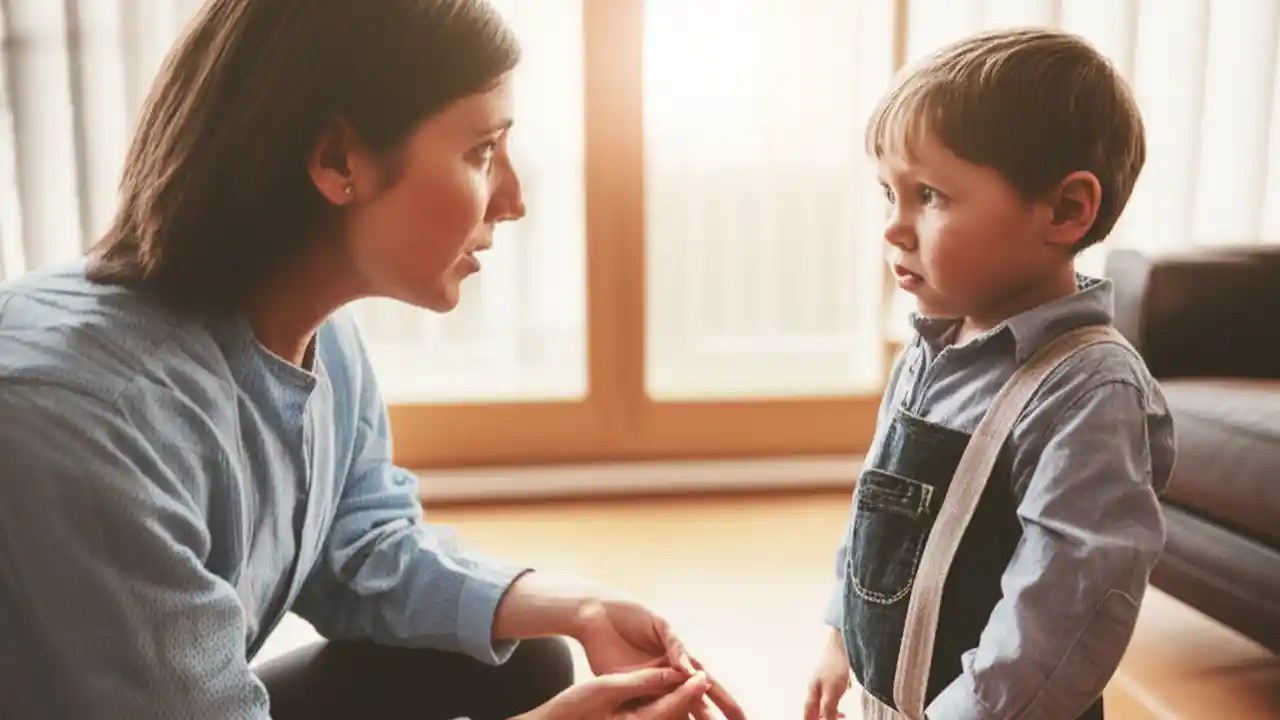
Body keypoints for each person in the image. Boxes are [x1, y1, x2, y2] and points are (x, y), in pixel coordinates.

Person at [0, 2, 743, 719]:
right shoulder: (92, 422)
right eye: (482, 152)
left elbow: (360, 549)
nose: (512, 199)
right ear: (336, 160)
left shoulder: (319, 338)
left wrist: (581, 603)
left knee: (528, 652)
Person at [804, 28, 1175, 720]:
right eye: (889, 194)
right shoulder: (929, 347)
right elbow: (875, 517)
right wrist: (839, 634)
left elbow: (1065, 610)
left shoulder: (1089, 391)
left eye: (931, 197)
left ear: (1066, 210)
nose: (894, 227)